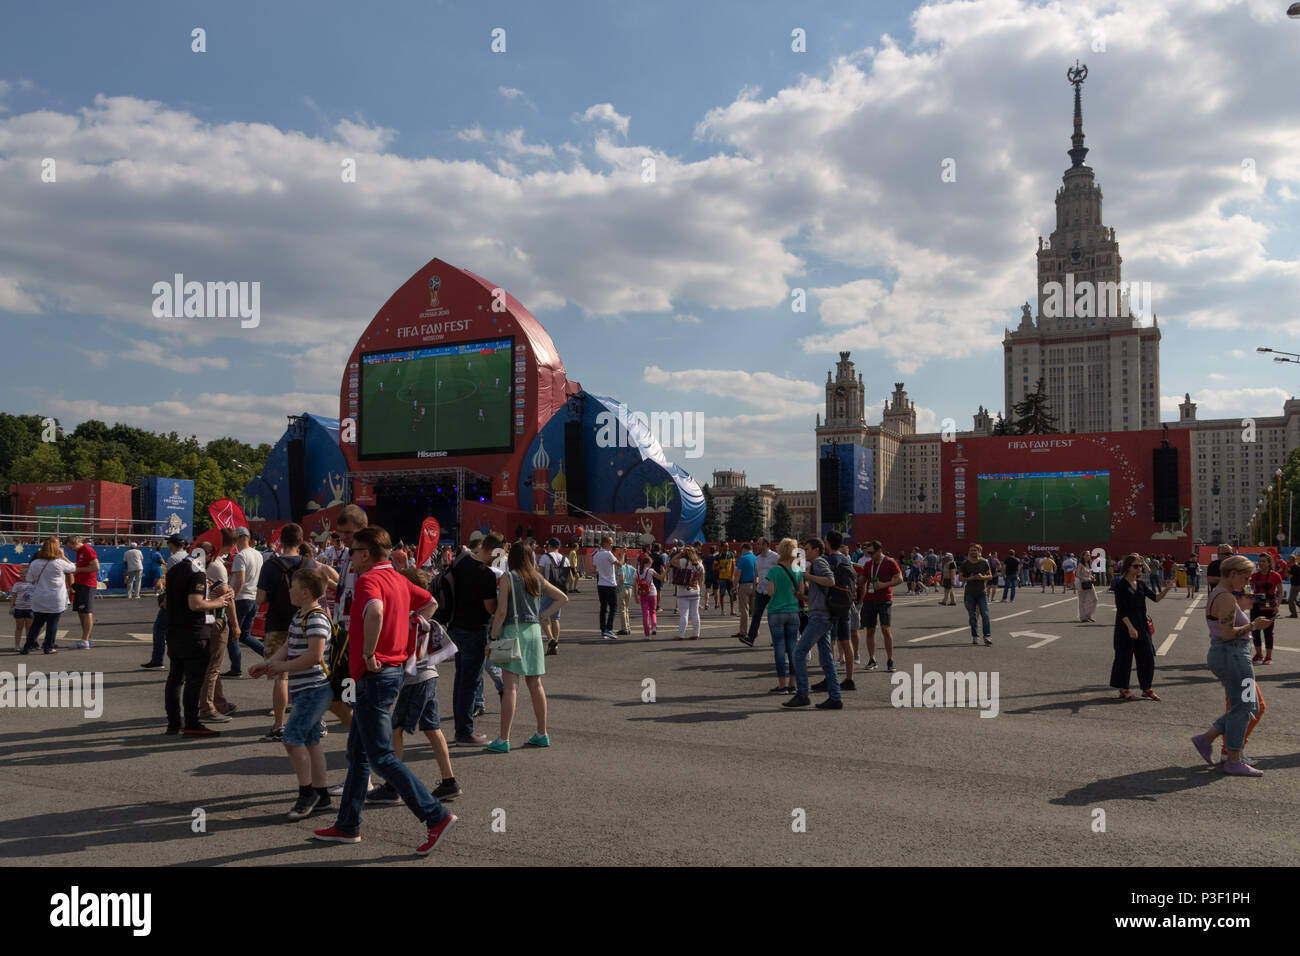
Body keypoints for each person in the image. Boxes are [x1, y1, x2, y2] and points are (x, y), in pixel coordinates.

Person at [312, 526, 457, 855]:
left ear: (365, 553)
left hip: (375, 675)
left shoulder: (370, 580)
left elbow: (375, 610)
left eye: (352, 552)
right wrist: (410, 627)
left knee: (380, 756)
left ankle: (435, 815)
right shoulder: (399, 577)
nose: (350, 557)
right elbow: (430, 602)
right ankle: (347, 824)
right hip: (391, 672)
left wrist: (368, 652)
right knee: (359, 755)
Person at [250, 566, 337, 819]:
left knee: (290, 739)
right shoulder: (300, 616)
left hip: (314, 690)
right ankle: (321, 795)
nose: (288, 590)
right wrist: (267, 665)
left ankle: (307, 792)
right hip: (304, 690)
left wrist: (282, 667)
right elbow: (288, 647)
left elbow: (314, 656)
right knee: (311, 742)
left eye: (293, 587)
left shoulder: (317, 618)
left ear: (306, 592)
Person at [370, 567, 461, 803]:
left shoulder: (414, 619)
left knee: (395, 729)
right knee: (432, 728)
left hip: (417, 679)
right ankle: (449, 781)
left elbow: (418, 653)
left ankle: (393, 786)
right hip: (429, 677)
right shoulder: (421, 617)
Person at [1190, 555, 1271, 777]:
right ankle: (1233, 759)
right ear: (1233, 573)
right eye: (1245, 577)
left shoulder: (1220, 593)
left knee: (1249, 706)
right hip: (1233, 655)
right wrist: (1253, 625)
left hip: (1232, 655)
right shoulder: (1225, 597)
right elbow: (1226, 634)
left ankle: (1206, 739)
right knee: (1244, 707)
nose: (1246, 582)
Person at [486, 542, 567, 752]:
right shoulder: (537, 578)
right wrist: (543, 615)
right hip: (533, 633)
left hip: (513, 632)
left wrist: (492, 638)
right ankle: (542, 732)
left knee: (511, 686)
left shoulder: (508, 577)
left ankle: (504, 739)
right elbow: (562, 597)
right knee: (536, 684)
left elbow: (501, 611)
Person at [164, 547, 233, 737]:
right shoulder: (197, 571)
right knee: (194, 681)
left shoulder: (174, 570)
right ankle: (192, 723)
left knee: (175, 679)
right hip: (193, 633)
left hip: (174, 630)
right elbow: (195, 603)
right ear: (207, 556)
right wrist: (219, 602)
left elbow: (167, 601)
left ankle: (173, 723)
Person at [444, 532, 501, 746]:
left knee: (461, 681)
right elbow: (491, 607)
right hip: (474, 630)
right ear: (494, 551)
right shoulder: (485, 574)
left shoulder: (462, 562)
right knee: (469, 682)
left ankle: (462, 728)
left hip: (456, 627)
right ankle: (464, 733)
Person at [256, 523, 306, 742]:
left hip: (276, 625)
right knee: (307, 676)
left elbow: (260, 599)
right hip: (305, 625)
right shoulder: (309, 563)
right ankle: (313, 721)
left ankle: (279, 725)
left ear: (281, 541)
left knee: (280, 677)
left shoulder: (270, 566)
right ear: (301, 542)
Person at [785, 538, 842, 710]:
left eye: (807, 549)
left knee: (798, 653)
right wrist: (802, 597)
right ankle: (835, 697)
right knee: (826, 659)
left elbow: (831, 581)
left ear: (817, 550)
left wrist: (807, 575)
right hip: (821, 615)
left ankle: (802, 694)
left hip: (820, 618)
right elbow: (820, 594)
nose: (805, 551)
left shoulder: (818, 562)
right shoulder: (817, 563)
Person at [1110, 553, 1174, 701]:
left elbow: (1155, 598)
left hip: (1142, 624)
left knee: (1147, 656)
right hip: (1126, 626)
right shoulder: (1121, 585)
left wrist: (1167, 589)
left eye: (1140, 566)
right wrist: (1131, 628)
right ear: (1128, 567)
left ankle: (1146, 688)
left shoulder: (1140, 584)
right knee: (1124, 658)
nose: (1139, 568)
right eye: (1136, 566)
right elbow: (1121, 609)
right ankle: (1123, 688)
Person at [197, 537, 239, 724]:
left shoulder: (193, 569)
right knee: (213, 666)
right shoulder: (216, 567)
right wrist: (235, 624)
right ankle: (207, 707)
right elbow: (226, 596)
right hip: (216, 618)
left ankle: (219, 703)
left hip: (203, 620)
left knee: (211, 664)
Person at [20, 538, 74, 655]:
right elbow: (73, 568)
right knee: (52, 624)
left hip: (39, 597)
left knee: (36, 624)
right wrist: (63, 556)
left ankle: (27, 646)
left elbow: (29, 579)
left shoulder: (35, 563)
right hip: (55, 597)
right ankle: (48, 647)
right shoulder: (59, 563)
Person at [857, 539, 902, 672]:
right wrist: (858, 577)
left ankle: (890, 660)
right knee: (870, 630)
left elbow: (899, 579)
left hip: (884, 599)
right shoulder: (868, 564)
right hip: (869, 599)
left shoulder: (890, 562)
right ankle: (872, 659)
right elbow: (863, 580)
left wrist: (884, 585)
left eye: (872, 553)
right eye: (868, 553)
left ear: (879, 550)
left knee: (885, 629)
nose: (870, 555)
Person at [765, 538, 803, 694]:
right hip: (793, 611)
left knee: (779, 648)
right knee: (793, 647)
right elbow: (801, 592)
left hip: (776, 611)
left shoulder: (774, 570)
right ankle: (792, 684)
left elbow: (771, 592)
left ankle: (782, 685)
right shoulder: (798, 570)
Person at [743, 538, 780, 647]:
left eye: (759, 544)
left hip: (772, 591)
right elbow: (756, 574)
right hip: (760, 591)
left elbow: (780, 571)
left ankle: (775, 640)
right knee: (756, 615)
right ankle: (751, 638)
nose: (756, 545)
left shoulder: (775, 557)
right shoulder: (757, 558)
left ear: (765, 544)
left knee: (773, 616)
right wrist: (755, 587)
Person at [66, 534, 98, 649]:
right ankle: (87, 638)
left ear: (74, 542)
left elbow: (95, 567)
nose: (70, 549)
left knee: (86, 611)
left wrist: (77, 569)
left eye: (70, 547)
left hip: (87, 584)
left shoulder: (88, 550)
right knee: (81, 612)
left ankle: (85, 640)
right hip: (80, 584)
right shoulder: (80, 551)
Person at [1249, 552, 1282, 665]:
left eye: (1263, 561)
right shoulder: (1255, 575)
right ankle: (1258, 654)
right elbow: (1249, 588)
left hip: (1269, 604)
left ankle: (1268, 657)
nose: (1261, 563)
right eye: (1260, 561)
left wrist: (1277, 605)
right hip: (1256, 604)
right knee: (1255, 630)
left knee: (1268, 631)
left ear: (1269, 563)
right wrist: (1249, 598)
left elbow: (1281, 592)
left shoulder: (1275, 575)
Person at [537, 538, 568, 655]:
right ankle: (555, 644)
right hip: (560, 591)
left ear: (549, 546)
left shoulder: (545, 557)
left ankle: (550, 639)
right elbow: (567, 577)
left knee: (541, 614)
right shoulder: (565, 559)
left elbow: (540, 573)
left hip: (548, 589)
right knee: (555, 618)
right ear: (558, 546)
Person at [961, 543, 993, 646]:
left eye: (975, 550)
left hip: (982, 593)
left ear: (979, 551)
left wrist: (982, 577)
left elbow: (990, 576)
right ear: (968, 551)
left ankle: (987, 636)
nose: (973, 552)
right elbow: (960, 578)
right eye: (971, 550)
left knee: (985, 615)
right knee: (972, 616)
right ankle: (975, 636)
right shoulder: (965, 564)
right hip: (970, 593)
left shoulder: (984, 562)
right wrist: (969, 579)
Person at [673, 547, 705, 640]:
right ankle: (696, 633)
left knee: (684, 614)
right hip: (695, 591)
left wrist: (680, 553)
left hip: (683, 592)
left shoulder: (683, 561)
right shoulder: (699, 564)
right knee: (695, 613)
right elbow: (701, 579)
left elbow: (672, 561)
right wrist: (699, 589)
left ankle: (681, 635)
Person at [593, 535, 618, 640]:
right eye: (611, 543)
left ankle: (603, 630)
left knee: (603, 608)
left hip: (601, 584)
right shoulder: (609, 554)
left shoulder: (596, 554)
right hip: (610, 584)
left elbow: (595, 569)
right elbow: (620, 564)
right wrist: (624, 553)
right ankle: (609, 629)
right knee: (613, 607)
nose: (612, 545)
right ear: (605, 544)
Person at [734, 543, 757, 638]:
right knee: (755, 610)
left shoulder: (742, 558)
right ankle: (755, 630)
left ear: (744, 549)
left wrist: (734, 586)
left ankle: (743, 631)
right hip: (755, 584)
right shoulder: (756, 558)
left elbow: (738, 574)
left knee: (744, 610)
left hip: (744, 585)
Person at [636, 553, 660, 637]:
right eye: (650, 564)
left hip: (643, 594)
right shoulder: (651, 571)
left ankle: (647, 635)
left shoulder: (637, 571)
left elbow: (634, 584)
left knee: (645, 614)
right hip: (652, 593)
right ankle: (654, 626)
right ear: (648, 564)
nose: (650, 565)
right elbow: (661, 578)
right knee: (653, 612)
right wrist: (666, 569)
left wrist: (636, 596)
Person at [615, 548, 636, 635]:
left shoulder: (621, 567)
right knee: (626, 609)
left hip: (622, 588)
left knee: (622, 609)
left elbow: (622, 578)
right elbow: (636, 575)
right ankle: (628, 627)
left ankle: (624, 628)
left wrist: (617, 586)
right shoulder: (631, 568)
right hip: (630, 588)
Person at [10, 576, 33, 651]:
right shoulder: (17, 584)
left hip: (30, 609)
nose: (22, 576)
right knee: (19, 627)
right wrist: (11, 607)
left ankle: (28, 645)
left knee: (29, 628)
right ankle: (17, 645)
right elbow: (13, 596)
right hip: (19, 609)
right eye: (21, 574)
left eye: (25, 574)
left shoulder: (33, 584)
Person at [716, 546, 736, 615]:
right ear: (722, 547)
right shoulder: (718, 556)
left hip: (729, 578)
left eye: (728, 546)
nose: (727, 547)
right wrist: (720, 567)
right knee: (722, 594)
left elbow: (733, 565)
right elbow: (714, 567)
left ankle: (732, 610)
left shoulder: (731, 554)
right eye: (726, 546)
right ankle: (722, 610)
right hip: (722, 578)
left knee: (732, 594)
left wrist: (732, 576)